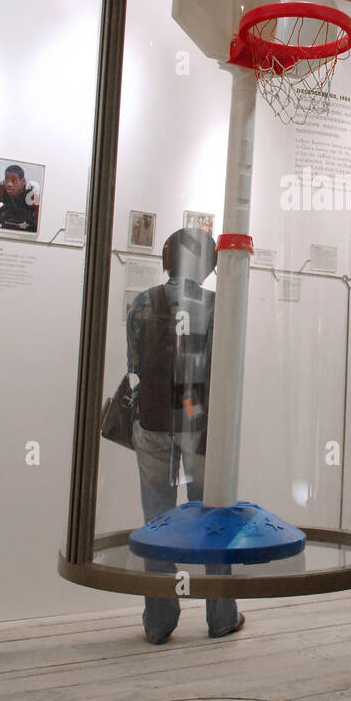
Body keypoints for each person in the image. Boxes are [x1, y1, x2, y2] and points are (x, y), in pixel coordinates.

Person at [126, 227, 244, 645]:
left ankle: (159, 622)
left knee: (157, 523)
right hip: (198, 425)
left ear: (167, 259)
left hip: (152, 422)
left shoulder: (143, 302)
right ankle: (220, 616)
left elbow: (134, 363)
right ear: (208, 265)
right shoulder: (217, 305)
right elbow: (223, 368)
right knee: (214, 520)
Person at [0, 164, 39, 232]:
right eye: (7, 180)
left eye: (14, 181)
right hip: (5, 232)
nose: (9, 184)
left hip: (28, 233)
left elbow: (39, 225)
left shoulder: (31, 191)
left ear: (23, 181)